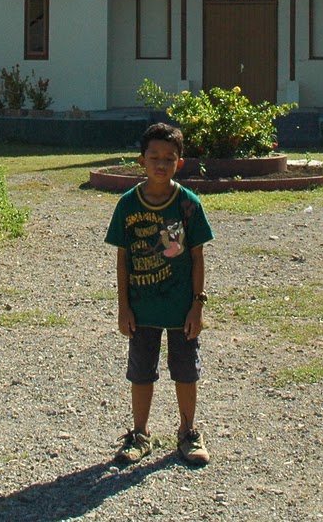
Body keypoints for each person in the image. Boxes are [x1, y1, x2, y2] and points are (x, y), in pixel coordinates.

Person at [105, 121, 214, 466]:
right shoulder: (127, 205)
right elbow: (122, 260)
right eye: (154, 157)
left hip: (181, 308)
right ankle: (139, 434)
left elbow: (197, 256)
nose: (161, 164)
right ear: (142, 160)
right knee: (141, 372)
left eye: (169, 158)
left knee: (186, 371)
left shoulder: (188, 205)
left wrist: (197, 305)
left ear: (180, 163)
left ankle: (188, 432)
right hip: (142, 308)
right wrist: (123, 307)